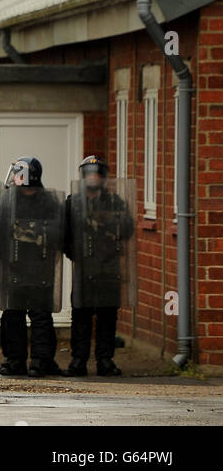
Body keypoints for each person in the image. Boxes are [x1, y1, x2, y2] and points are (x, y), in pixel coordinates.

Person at [64, 155, 134, 377]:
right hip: (84, 267)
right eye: (89, 174)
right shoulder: (72, 202)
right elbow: (64, 234)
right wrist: (75, 254)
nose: (92, 178)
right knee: (81, 314)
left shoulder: (115, 202)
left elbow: (127, 228)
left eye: (96, 174)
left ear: (103, 177)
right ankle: (78, 359)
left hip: (108, 266)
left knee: (107, 315)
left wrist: (107, 222)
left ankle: (105, 359)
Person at [0, 156, 63, 378]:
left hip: (39, 266)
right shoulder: (7, 200)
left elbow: (58, 232)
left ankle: (41, 360)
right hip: (13, 266)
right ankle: (15, 359)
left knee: (41, 315)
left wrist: (35, 234)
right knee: (12, 314)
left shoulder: (48, 201)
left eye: (18, 175)